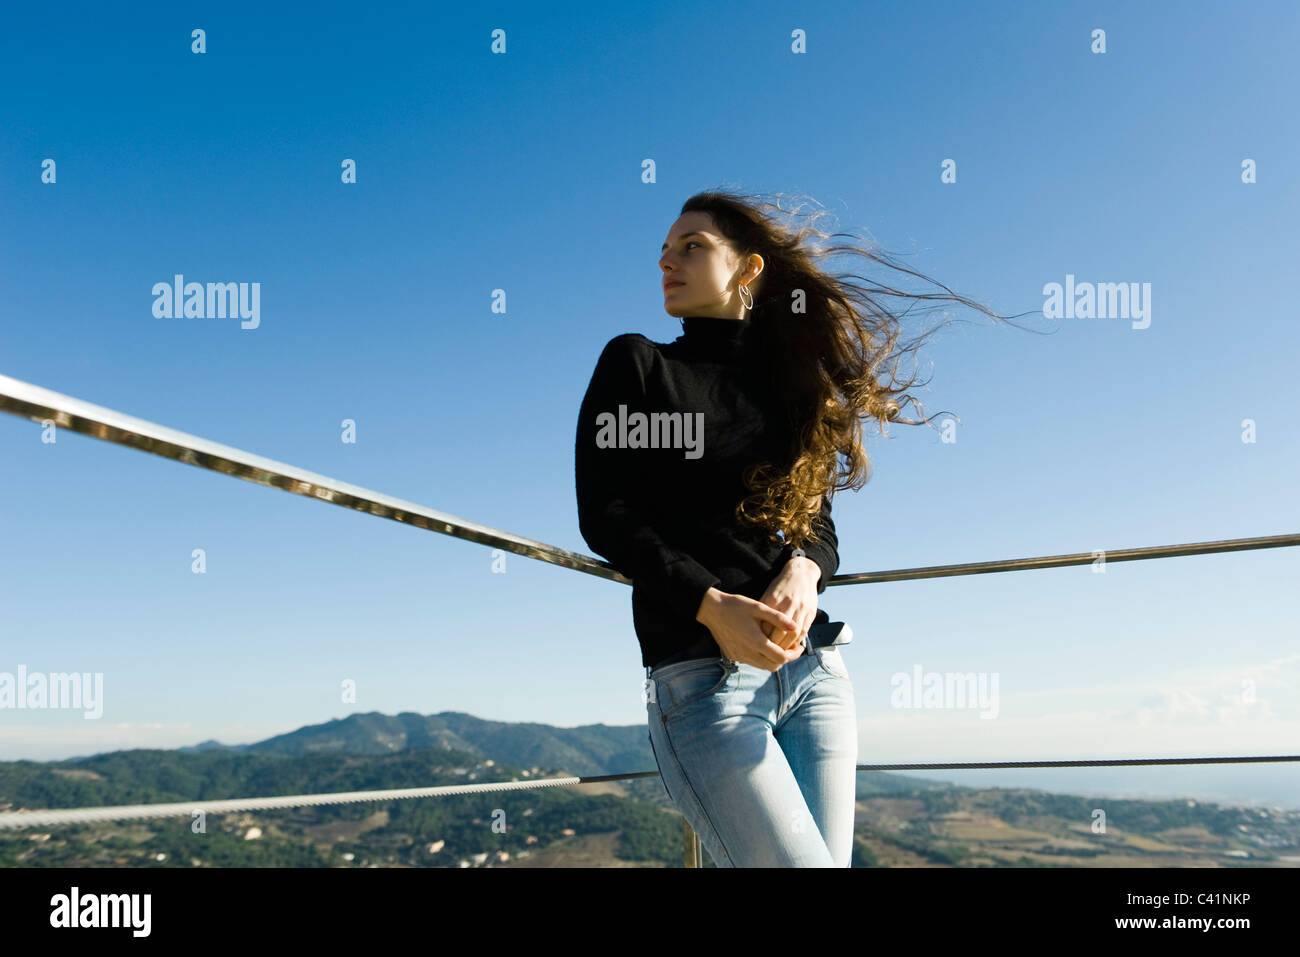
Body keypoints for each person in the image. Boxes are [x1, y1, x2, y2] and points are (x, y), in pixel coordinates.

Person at [574, 189, 1016, 867]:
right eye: (664, 250)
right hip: (703, 684)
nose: (668, 260)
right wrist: (709, 604)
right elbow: (604, 513)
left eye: (691, 246)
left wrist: (807, 570)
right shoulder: (637, 364)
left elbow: (819, 524)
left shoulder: (788, 385)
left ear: (748, 269)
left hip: (818, 675)